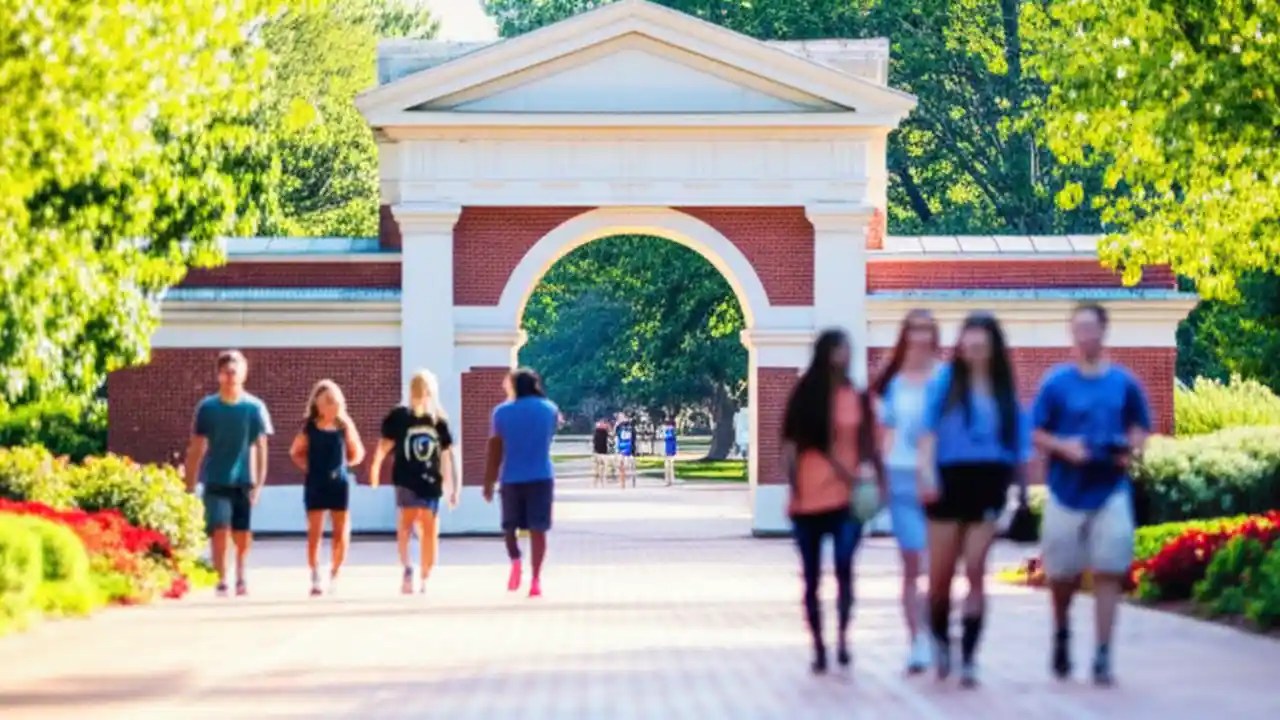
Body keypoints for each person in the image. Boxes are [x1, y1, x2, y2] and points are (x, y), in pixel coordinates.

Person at [1033, 303, 1151, 686]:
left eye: (1091, 329)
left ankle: (1102, 652)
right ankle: (1062, 629)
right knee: (1063, 575)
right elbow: (1036, 432)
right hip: (1066, 490)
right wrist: (1065, 448)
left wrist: (1131, 450)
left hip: (1110, 489)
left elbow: (1140, 428)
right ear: (1072, 335)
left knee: (1109, 569)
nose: (1085, 336)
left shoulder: (1123, 383)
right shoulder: (1056, 383)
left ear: (1104, 331)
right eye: (1078, 329)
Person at [917, 312, 1030, 687]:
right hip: (947, 482)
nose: (974, 349)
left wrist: (1021, 493)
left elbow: (1018, 447)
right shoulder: (945, 383)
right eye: (969, 342)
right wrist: (927, 475)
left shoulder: (1003, 388)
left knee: (977, 572)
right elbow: (927, 434)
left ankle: (968, 656)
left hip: (989, 482)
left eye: (981, 343)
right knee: (939, 579)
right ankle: (938, 641)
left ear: (993, 347)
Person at [782, 329, 884, 674]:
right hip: (808, 501)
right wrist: (793, 487)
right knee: (811, 578)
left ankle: (842, 637)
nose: (844, 357)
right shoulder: (805, 396)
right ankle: (819, 647)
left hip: (846, 499)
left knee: (844, 566)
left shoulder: (856, 396)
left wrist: (873, 477)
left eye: (847, 350)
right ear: (825, 353)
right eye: (838, 350)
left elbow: (870, 442)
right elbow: (790, 446)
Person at [872, 309, 941, 674]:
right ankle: (917, 641)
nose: (920, 337)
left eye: (926, 330)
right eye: (914, 330)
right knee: (914, 562)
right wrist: (878, 481)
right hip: (902, 478)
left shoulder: (945, 379)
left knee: (940, 567)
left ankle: (937, 634)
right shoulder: (893, 383)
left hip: (940, 480)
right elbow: (884, 436)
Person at [183, 350, 274, 597]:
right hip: (216, 478)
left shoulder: (254, 408)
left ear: (244, 374)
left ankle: (242, 572)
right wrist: (189, 486)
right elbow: (197, 448)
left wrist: (258, 484)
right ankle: (222, 577)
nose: (231, 376)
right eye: (226, 372)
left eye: (235, 371)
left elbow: (261, 448)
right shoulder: (208, 408)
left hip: (244, 479)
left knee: (241, 532)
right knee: (220, 528)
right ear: (219, 375)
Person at [370, 370, 459, 595]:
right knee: (406, 523)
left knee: (429, 528)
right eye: (416, 390)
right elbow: (383, 447)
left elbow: (449, 456)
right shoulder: (399, 417)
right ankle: (408, 568)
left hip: (430, 482)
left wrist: (454, 487)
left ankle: (425, 575)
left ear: (432, 392)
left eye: (425, 390)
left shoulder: (438, 421)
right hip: (406, 479)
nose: (420, 395)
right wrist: (375, 468)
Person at [483, 368, 559, 598]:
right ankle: (535, 579)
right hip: (541, 476)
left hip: (512, 477)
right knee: (539, 529)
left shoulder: (501, 413)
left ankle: (515, 561)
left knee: (509, 526)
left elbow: (495, 451)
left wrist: (488, 481)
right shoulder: (550, 410)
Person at [288, 380, 365, 596]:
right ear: (318, 404)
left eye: (335, 401)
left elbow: (357, 453)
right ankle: (315, 573)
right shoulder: (309, 427)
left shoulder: (344, 426)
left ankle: (335, 572)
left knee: (341, 532)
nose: (332, 406)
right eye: (327, 401)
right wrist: (310, 467)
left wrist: (343, 464)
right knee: (315, 532)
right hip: (316, 483)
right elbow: (295, 452)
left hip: (339, 484)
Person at [615, 414, 637, 488]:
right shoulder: (630, 428)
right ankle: (626, 480)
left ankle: (623, 481)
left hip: (624, 448)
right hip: (628, 448)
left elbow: (617, 434)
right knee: (624, 465)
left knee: (623, 465)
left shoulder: (621, 428)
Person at [592, 419, 611, 488]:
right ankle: (601, 482)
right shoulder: (604, 431)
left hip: (597, 452)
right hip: (603, 452)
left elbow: (594, 441)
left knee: (597, 468)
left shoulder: (597, 431)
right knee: (602, 467)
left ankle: (596, 483)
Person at [661, 419, 678, 486]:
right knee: (668, 466)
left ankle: (669, 480)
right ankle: (668, 480)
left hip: (669, 451)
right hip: (668, 451)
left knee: (669, 466)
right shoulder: (669, 431)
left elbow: (668, 438)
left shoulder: (670, 432)